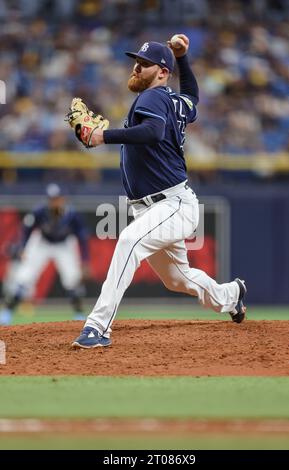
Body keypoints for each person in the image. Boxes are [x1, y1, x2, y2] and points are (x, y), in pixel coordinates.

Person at [70, 35, 247, 349]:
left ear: (162, 72)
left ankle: (97, 328)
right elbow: (191, 95)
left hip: (172, 204)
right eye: (136, 62)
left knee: (128, 241)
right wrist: (183, 58)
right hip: (161, 207)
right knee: (178, 279)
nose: (137, 67)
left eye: (145, 64)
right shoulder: (173, 101)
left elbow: (152, 132)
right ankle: (231, 295)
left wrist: (102, 137)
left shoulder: (153, 97)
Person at [0, 183, 90, 325]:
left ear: (63, 199)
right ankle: (7, 313)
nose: (54, 202)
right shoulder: (40, 211)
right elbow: (27, 229)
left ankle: (79, 314)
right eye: (52, 199)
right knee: (24, 277)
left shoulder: (72, 214)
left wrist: (85, 260)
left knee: (72, 279)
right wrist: (23, 247)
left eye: (57, 198)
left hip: (64, 244)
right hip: (42, 242)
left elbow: (82, 237)